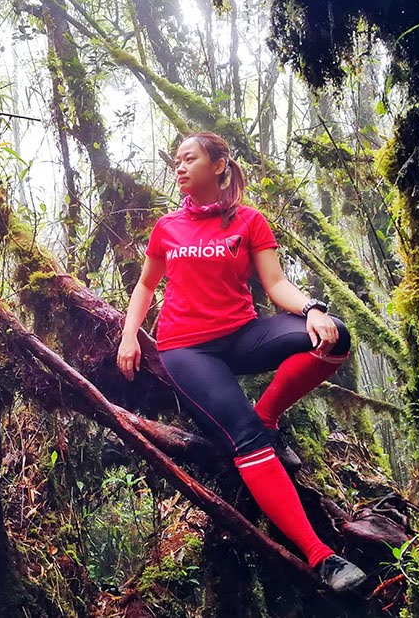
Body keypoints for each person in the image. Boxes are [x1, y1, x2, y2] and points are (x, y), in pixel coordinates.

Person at [116, 132, 366, 592]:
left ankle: (269, 413)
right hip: (187, 349)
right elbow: (145, 286)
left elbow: (275, 284)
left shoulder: (248, 221)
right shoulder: (167, 227)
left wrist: (312, 309)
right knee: (246, 440)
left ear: (218, 165)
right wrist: (131, 335)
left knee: (336, 339)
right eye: (176, 161)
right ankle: (322, 558)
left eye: (189, 158)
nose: (179, 167)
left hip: (241, 335)